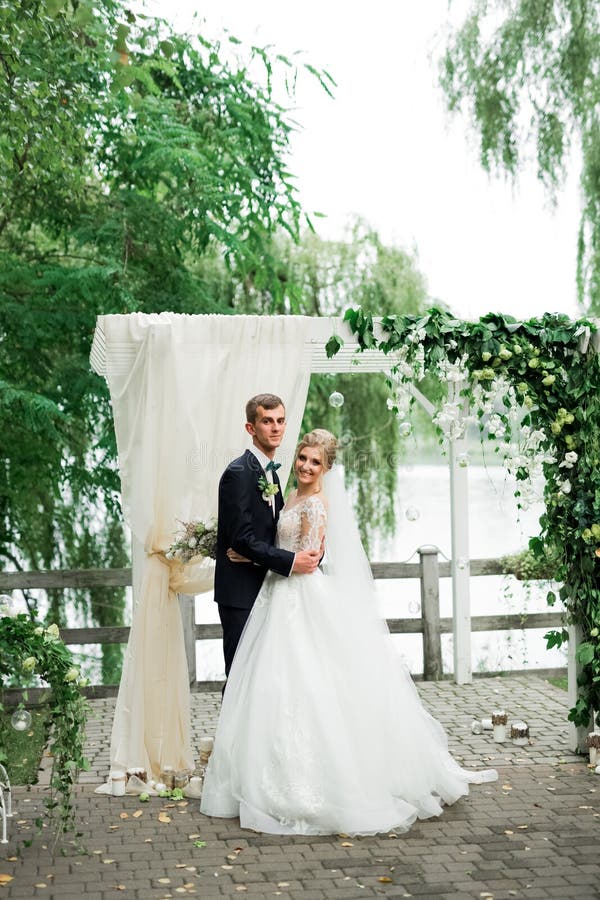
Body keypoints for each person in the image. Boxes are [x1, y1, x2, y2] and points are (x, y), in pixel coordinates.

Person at [201, 428, 497, 836]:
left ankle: (317, 779)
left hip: (297, 595)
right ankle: (261, 769)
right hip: (276, 591)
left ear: (327, 467)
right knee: (271, 683)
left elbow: (305, 557)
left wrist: (271, 557)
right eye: (302, 458)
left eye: (314, 462)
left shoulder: (318, 505)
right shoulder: (290, 493)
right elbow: (269, 538)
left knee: (305, 681)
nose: (305, 466)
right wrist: (245, 552)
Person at [214, 393, 320, 680]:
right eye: (267, 421)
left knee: (263, 681)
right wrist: (289, 561)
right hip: (241, 593)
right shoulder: (239, 472)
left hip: (268, 589)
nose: (275, 428)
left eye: (281, 421)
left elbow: (277, 529)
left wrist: (312, 551)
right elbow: (242, 538)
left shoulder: (269, 474)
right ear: (251, 428)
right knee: (240, 679)